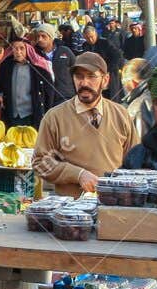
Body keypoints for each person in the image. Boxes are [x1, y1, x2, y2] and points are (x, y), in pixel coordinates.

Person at [33, 52, 136, 196]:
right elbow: (40, 164)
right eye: (79, 76)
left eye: (91, 76)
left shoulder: (121, 115)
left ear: (105, 80)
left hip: (112, 207)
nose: (84, 83)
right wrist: (78, 174)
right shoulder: (54, 117)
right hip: (70, 212)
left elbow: (135, 164)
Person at [0, 33, 58, 129]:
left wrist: (49, 116)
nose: (18, 52)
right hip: (11, 115)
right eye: (15, 48)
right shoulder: (5, 66)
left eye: (21, 48)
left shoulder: (40, 68)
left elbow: (50, 94)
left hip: (32, 116)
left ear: (28, 49)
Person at [79, 24, 126, 102]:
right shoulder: (85, 46)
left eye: (92, 37)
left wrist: (108, 69)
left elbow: (117, 56)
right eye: (87, 38)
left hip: (108, 74)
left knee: (112, 99)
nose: (90, 40)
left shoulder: (105, 43)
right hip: (94, 76)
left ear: (96, 34)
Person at [29, 23, 73, 99]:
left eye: (43, 36)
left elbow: (75, 70)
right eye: (38, 36)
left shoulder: (65, 51)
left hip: (65, 97)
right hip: (44, 99)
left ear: (51, 37)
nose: (40, 39)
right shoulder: (34, 55)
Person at [122, 57, 154, 148]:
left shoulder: (136, 109)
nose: (124, 86)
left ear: (132, 82)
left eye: (124, 81)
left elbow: (138, 147)